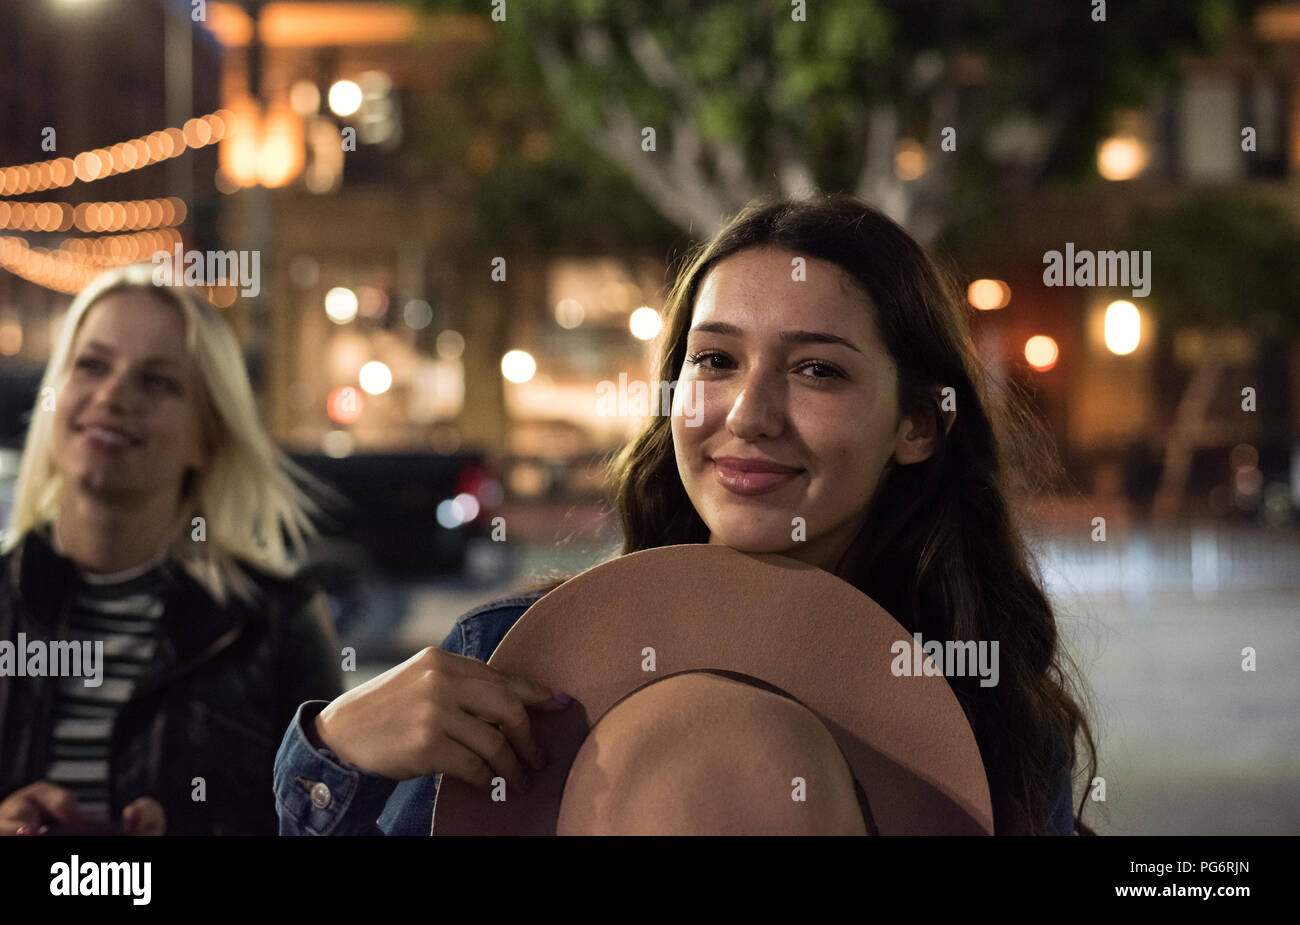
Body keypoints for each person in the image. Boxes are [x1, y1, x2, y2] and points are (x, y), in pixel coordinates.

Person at [274, 193, 1099, 836]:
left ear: (917, 423)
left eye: (817, 370)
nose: (749, 413)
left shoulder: (992, 716)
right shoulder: (514, 671)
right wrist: (334, 754)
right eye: (715, 360)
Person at [0, 263, 343, 835]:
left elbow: (331, 824)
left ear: (207, 436)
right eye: (91, 365)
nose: (112, 395)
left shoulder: (276, 626)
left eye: (157, 381)